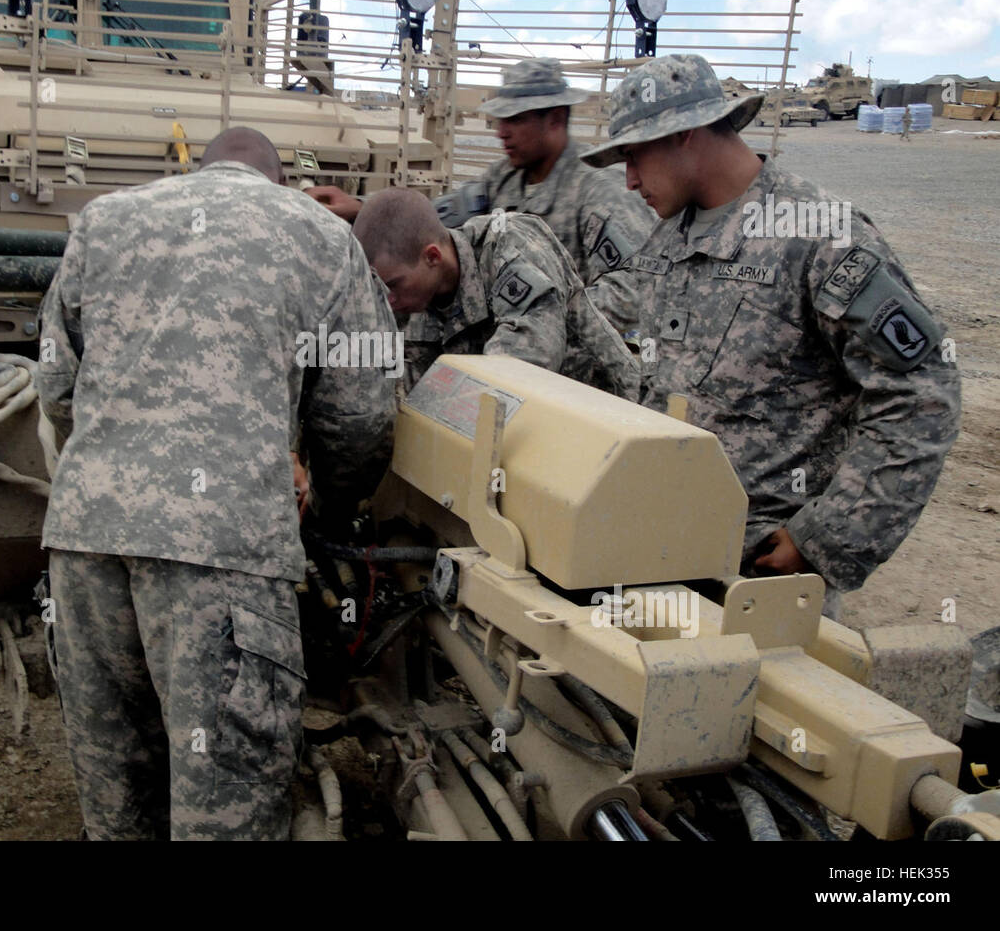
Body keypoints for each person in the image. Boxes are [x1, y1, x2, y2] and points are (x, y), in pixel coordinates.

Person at [36, 127, 397, 840]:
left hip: (86, 549)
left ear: (201, 170)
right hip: (224, 561)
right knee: (223, 811)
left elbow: (54, 385)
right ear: (277, 178)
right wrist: (326, 506)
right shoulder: (320, 237)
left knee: (119, 805)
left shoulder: (104, 219)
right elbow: (359, 418)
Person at [580, 54, 960, 616]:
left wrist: (826, 538)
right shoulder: (665, 241)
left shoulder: (820, 237)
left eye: (634, 157)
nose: (630, 180)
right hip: (660, 549)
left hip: (759, 574)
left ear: (685, 134)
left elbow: (922, 395)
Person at [306, 58, 656, 337]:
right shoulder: (505, 179)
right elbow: (439, 213)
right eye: (501, 120)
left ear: (555, 118)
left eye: (516, 120)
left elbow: (636, 289)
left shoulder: (596, 192)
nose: (502, 132)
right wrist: (362, 208)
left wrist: (540, 309)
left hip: (573, 382)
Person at [351, 186, 639, 398]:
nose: (388, 300)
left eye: (393, 285)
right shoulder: (412, 295)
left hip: (601, 417)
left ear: (433, 257)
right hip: (519, 435)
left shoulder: (510, 249)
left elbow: (519, 371)